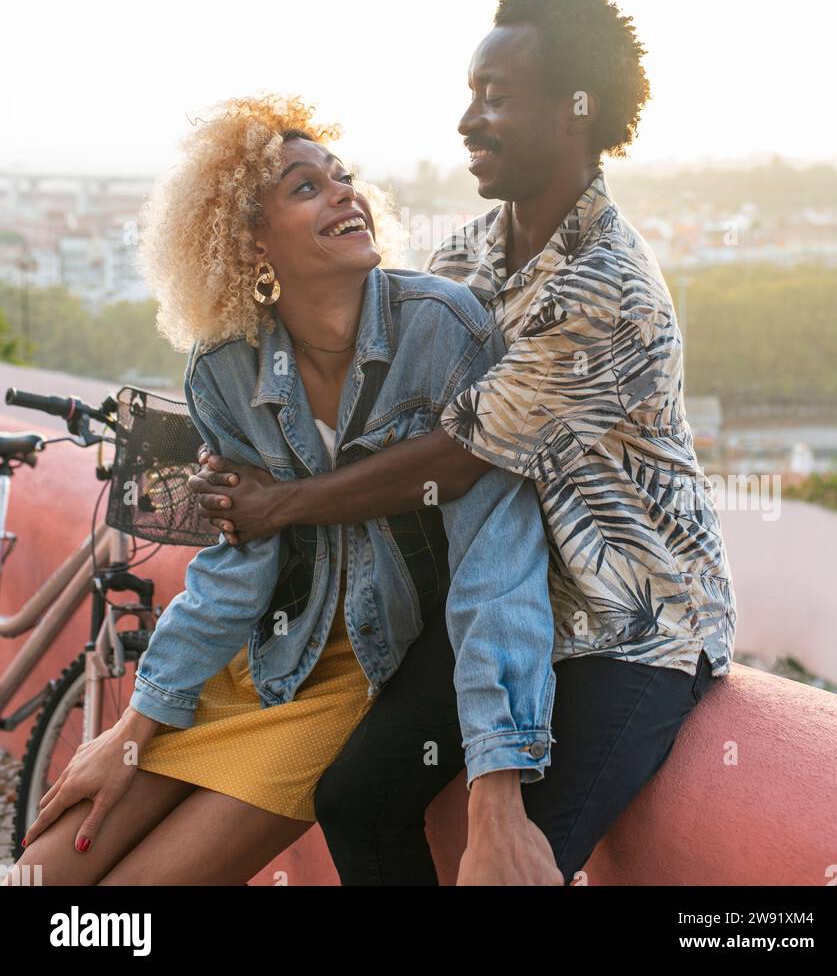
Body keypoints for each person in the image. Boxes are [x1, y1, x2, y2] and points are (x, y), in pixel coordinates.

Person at [192, 0, 738, 886]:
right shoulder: (469, 256)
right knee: (355, 800)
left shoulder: (607, 284)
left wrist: (279, 504)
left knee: (508, 873)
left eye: (495, 96)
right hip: (504, 606)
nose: (468, 120)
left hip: (631, 628)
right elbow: (366, 376)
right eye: (470, 93)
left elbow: (455, 455)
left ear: (576, 110)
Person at [6, 93, 560, 887]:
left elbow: (497, 554)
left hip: (363, 675)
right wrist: (129, 732)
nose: (344, 192)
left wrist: (498, 778)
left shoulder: (444, 329)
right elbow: (238, 562)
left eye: (342, 176)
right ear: (249, 243)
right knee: (39, 875)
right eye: (306, 187)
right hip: (263, 657)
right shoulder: (223, 369)